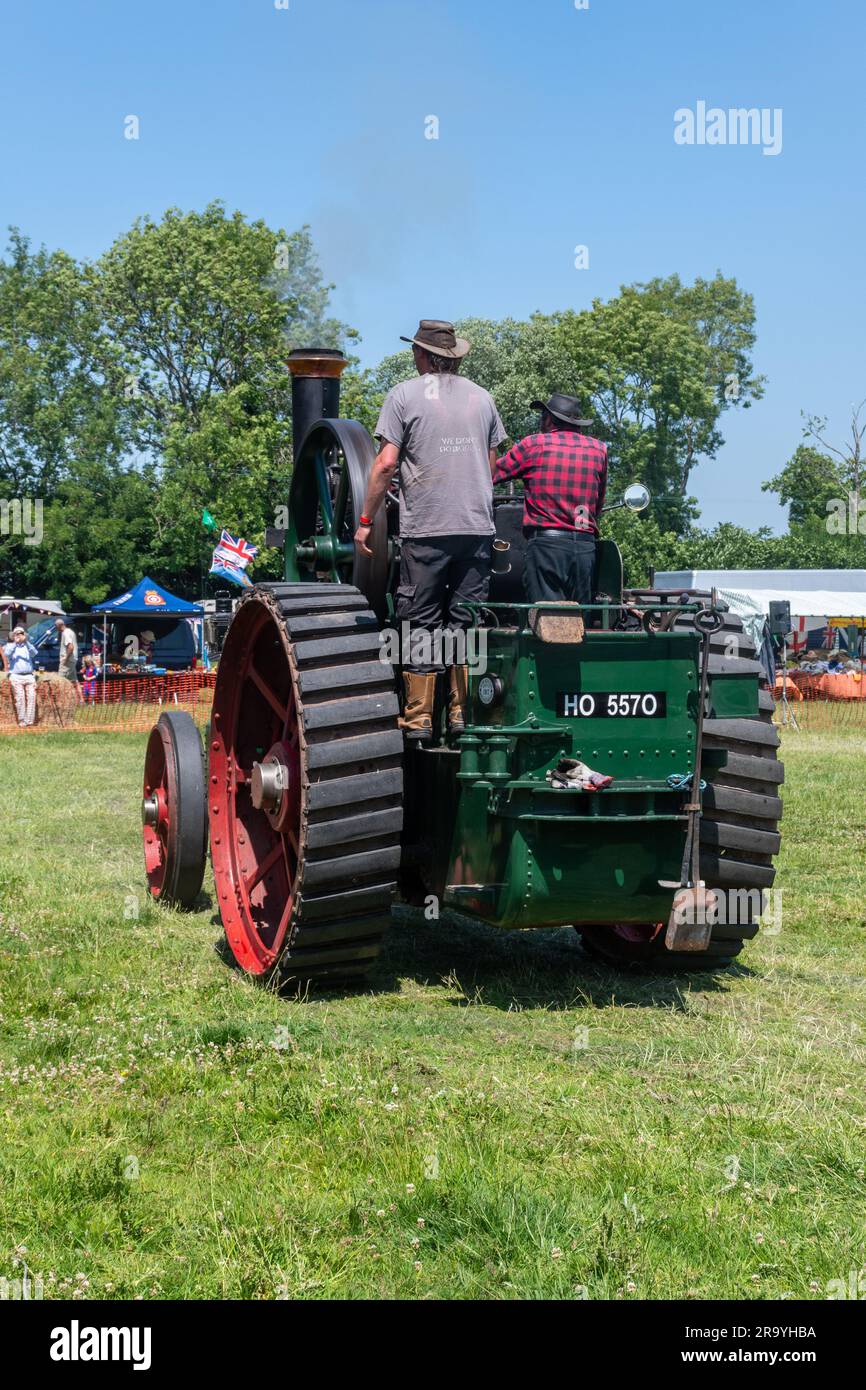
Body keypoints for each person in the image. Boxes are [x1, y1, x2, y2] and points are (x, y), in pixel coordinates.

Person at [354, 320, 506, 740]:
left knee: (421, 620)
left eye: (415, 352)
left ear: (422, 355)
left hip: (426, 528)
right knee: (464, 621)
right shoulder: (483, 399)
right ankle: (460, 715)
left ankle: (420, 717)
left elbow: (385, 464)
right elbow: (491, 469)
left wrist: (365, 523)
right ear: (454, 357)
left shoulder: (404, 395)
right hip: (477, 528)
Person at [493, 393, 607, 604]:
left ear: (548, 419)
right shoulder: (598, 449)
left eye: (542, 416)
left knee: (547, 622)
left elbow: (491, 474)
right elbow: (598, 505)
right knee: (581, 623)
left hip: (546, 548)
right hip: (584, 548)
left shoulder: (533, 445)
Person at [2, 625, 39, 726]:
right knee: (20, 698)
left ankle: (30, 722)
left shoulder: (28, 645)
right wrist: (15, 643)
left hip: (29, 676)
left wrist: (26, 642)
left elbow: (35, 653)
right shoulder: (9, 646)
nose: (19, 635)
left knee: (31, 697)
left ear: (24, 635)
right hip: (16, 676)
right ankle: (22, 721)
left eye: (21, 633)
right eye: (16, 634)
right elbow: (7, 654)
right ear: (13, 636)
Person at [55, 617, 80, 698]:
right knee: (74, 682)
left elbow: (70, 647)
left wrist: (65, 659)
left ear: (60, 625)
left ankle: (61, 700)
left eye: (56, 626)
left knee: (60, 681)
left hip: (67, 661)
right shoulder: (70, 632)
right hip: (72, 660)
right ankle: (81, 700)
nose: (56, 628)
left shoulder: (65, 633)